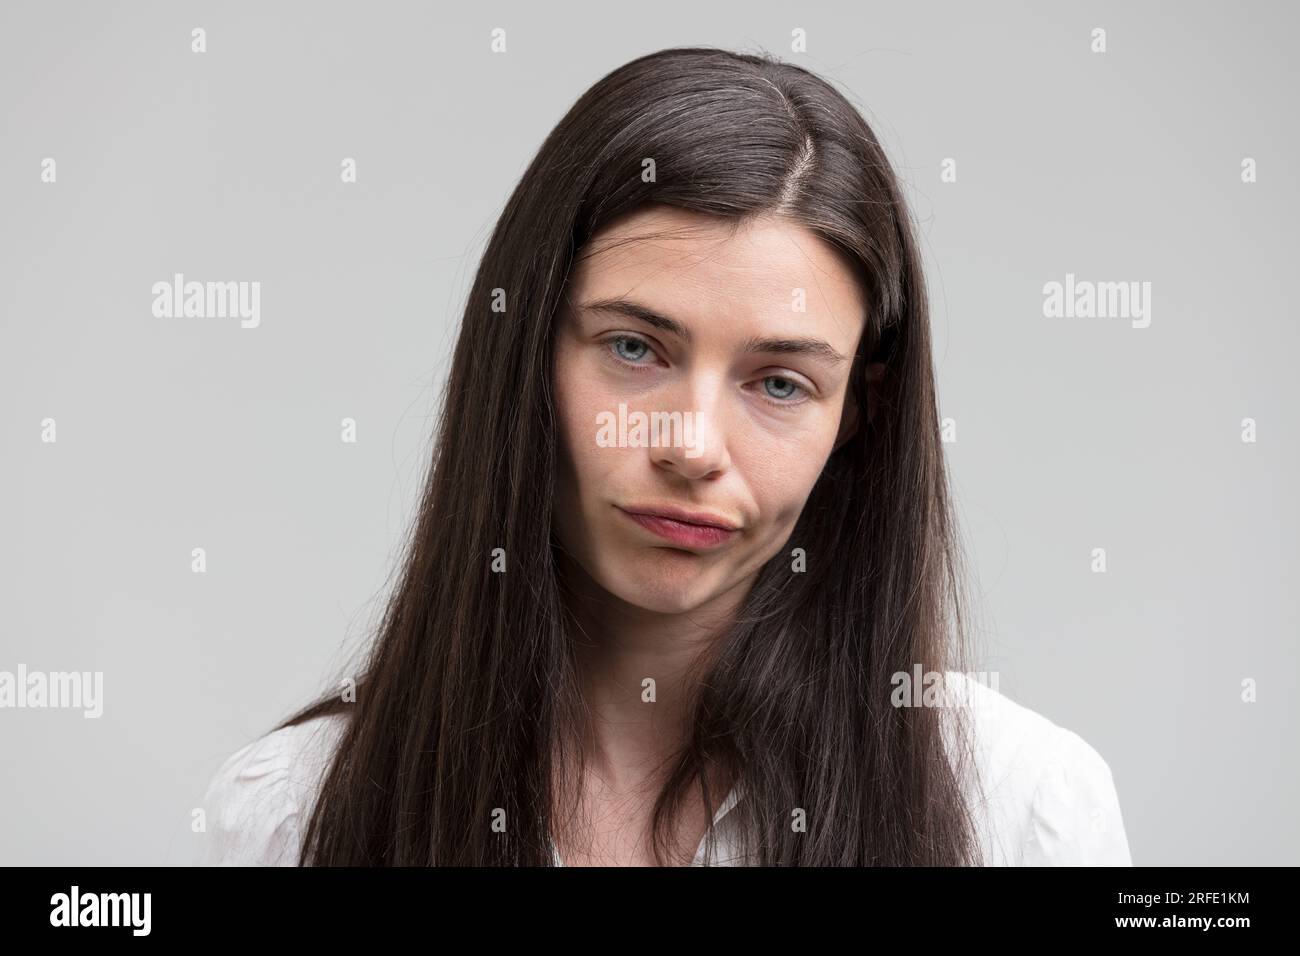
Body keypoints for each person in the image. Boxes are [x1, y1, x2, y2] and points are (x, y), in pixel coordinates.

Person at [200, 46, 1132, 866]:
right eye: (634, 349)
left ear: (856, 414)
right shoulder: (288, 814)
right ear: (525, 352)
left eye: (779, 383)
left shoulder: (1025, 813)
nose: (690, 448)